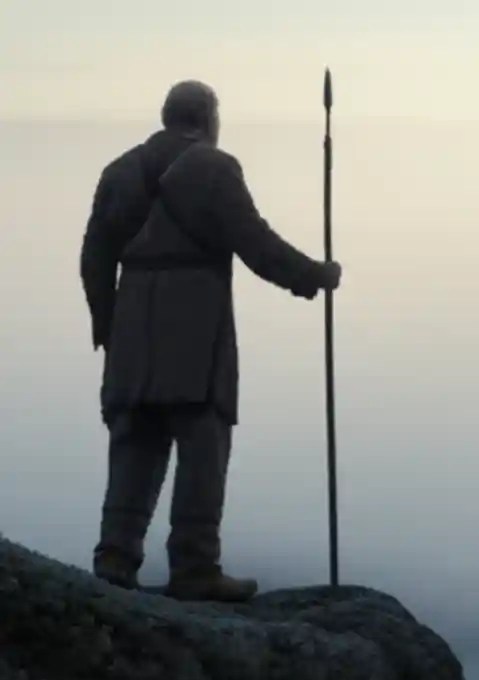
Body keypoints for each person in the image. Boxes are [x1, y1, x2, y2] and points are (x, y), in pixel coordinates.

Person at [79, 80, 342, 602]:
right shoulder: (215, 169)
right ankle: (195, 566)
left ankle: (115, 557)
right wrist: (314, 275)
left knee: (136, 440)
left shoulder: (119, 171)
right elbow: (255, 243)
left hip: (133, 326)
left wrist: (106, 327)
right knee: (202, 441)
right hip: (195, 326)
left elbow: (94, 258)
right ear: (208, 118)